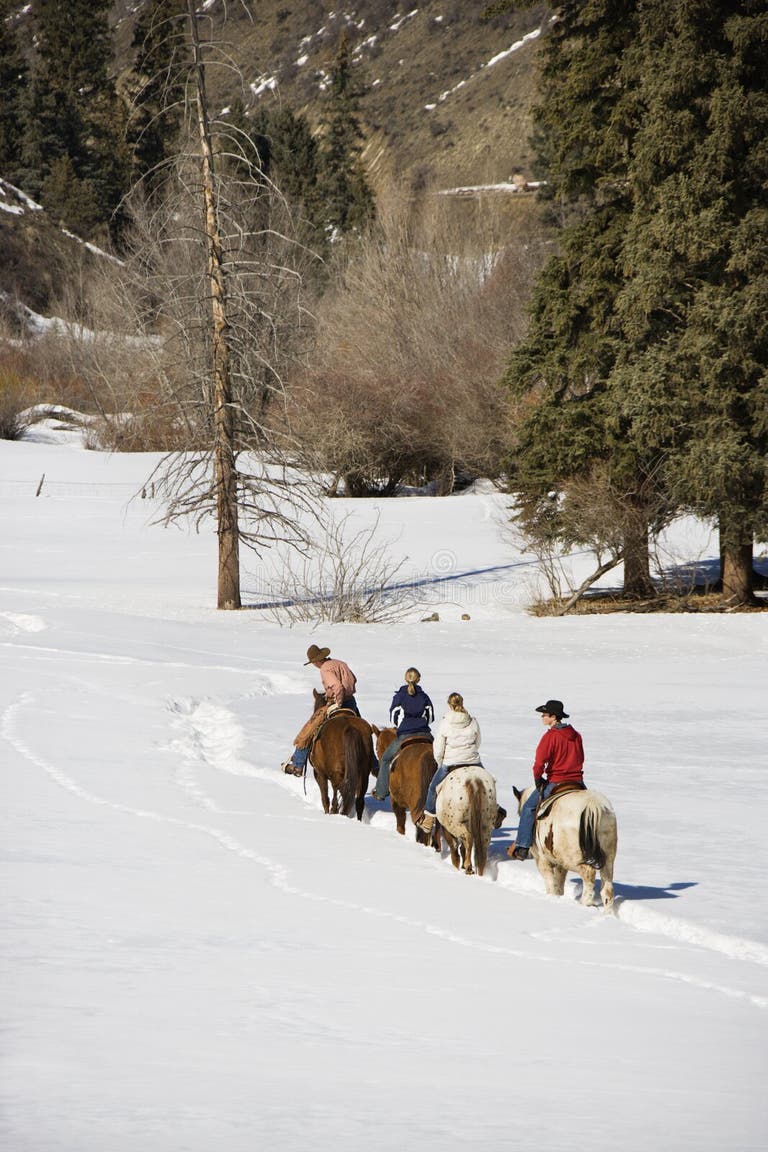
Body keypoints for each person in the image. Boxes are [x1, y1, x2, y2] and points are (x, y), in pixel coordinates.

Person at [508, 698, 585, 860]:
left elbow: (539, 763)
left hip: (557, 780)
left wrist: (538, 779)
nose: (542, 716)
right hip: (577, 782)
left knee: (528, 807)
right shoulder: (576, 735)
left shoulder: (550, 736)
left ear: (554, 716)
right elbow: (581, 758)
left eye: (545, 714)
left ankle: (522, 846)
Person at [281, 645, 359, 776]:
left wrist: (337, 703)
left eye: (313, 663)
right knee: (363, 731)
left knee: (309, 729)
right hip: (351, 702)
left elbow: (337, 686)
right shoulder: (341, 663)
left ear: (317, 661)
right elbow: (353, 679)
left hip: (337, 702)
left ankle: (297, 765)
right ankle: (373, 764)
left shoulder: (324, 668)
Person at [416, 692, 482, 834]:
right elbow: (478, 742)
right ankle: (494, 810)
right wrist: (470, 755)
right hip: (473, 761)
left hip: (451, 762)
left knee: (433, 788)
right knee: (488, 784)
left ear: (449, 704)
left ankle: (428, 820)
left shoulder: (445, 722)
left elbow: (438, 748)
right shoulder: (472, 720)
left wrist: (441, 762)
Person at [371, 667, 434, 801]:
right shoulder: (424, 696)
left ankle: (381, 792)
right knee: (441, 757)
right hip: (425, 734)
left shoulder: (399, 696)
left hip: (405, 735)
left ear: (406, 679)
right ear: (418, 680)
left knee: (386, 759)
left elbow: (394, 716)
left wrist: (403, 726)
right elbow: (431, 717)